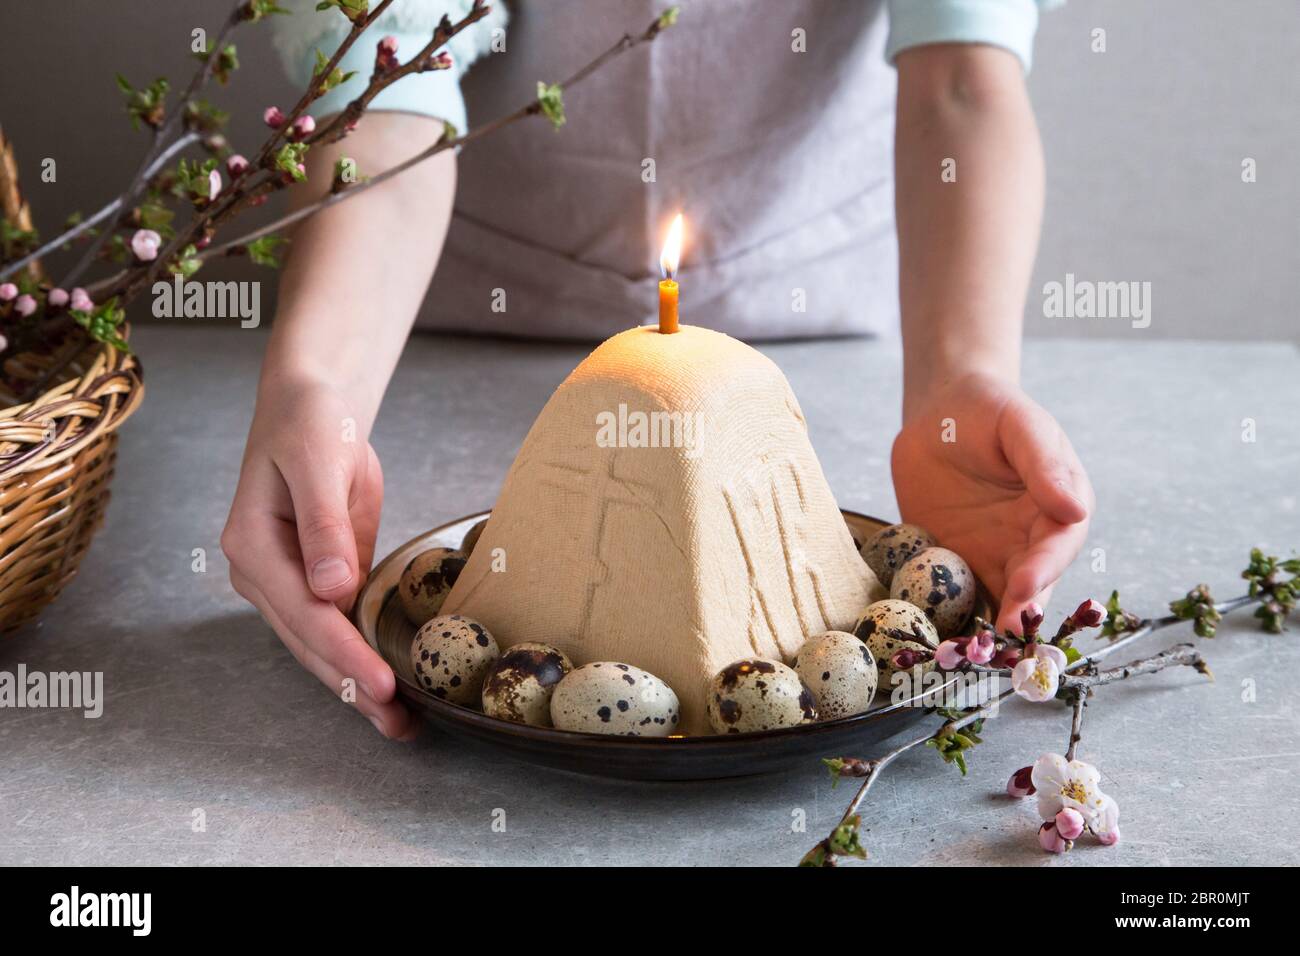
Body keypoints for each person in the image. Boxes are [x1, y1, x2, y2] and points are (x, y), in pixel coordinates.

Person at [222, 0, 1092, 739]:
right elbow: (386, 88)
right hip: (467, 297)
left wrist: (956, 384)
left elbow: (962, 74)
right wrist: (320, 382)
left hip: (806, 289)